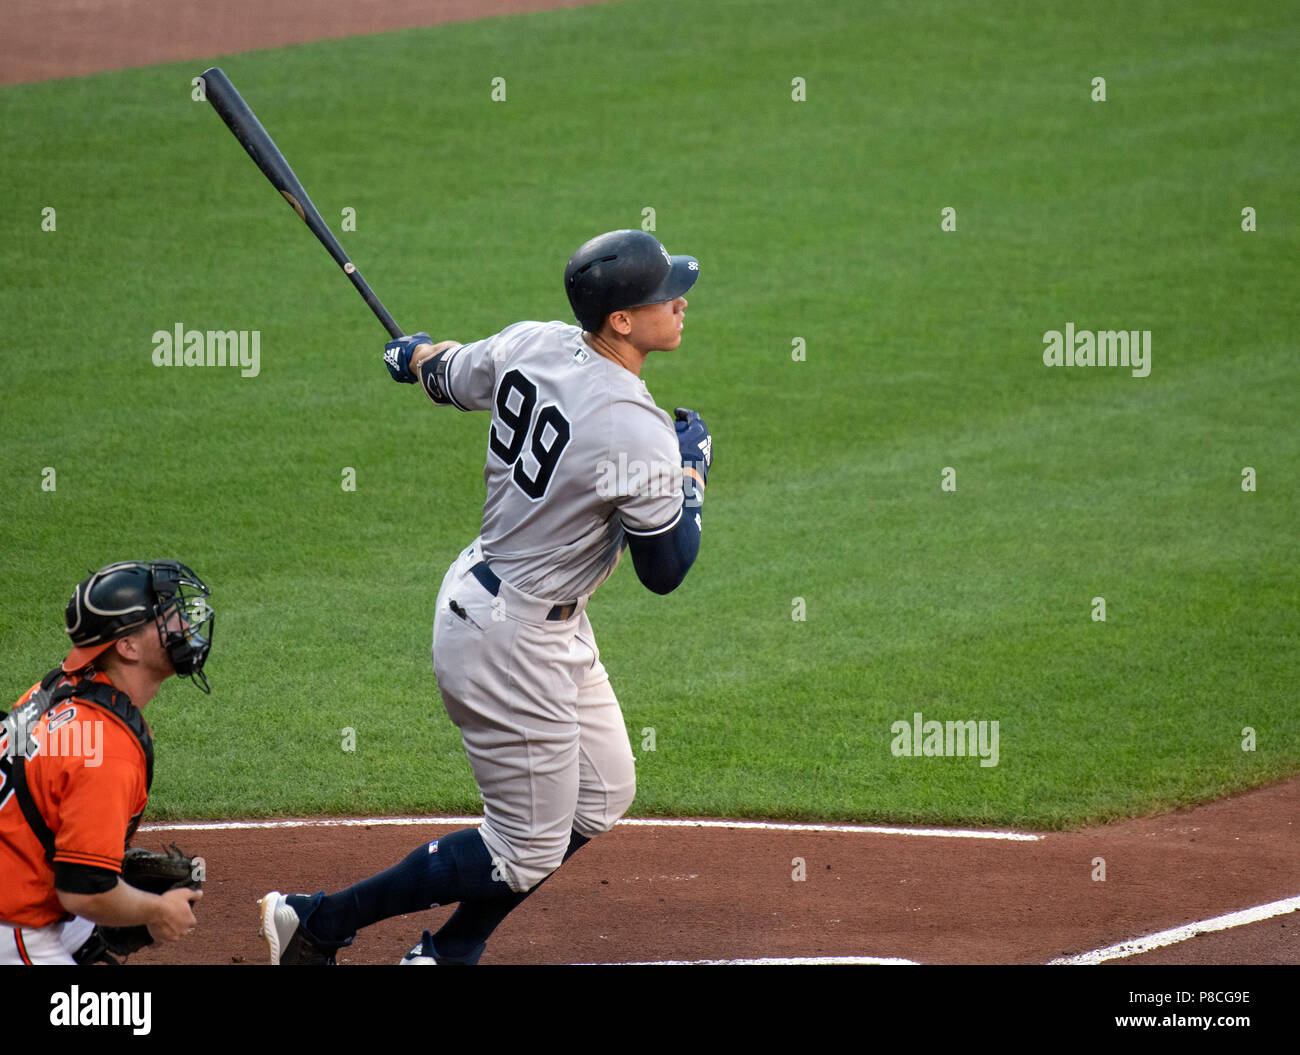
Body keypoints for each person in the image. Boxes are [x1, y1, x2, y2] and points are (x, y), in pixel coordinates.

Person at [259, 228, 714, 965]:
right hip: (510, 638)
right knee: (525, 847)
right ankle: (319, 919)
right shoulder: (637, 428)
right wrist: (690, 479)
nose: (682, 300)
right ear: (623, 321)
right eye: (667, 294)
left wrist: (409, 355)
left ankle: (447, 949)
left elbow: (444, 373)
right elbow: (665, 570)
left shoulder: (534, 342)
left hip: (515, 606)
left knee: (602, 793)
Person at [0, 560, 213, 964]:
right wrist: (156, 911)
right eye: (164, 616)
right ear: (127, 647)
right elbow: (82, 892)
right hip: (14, 928)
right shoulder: (106, 748)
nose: (182, 623)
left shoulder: (52, 691)